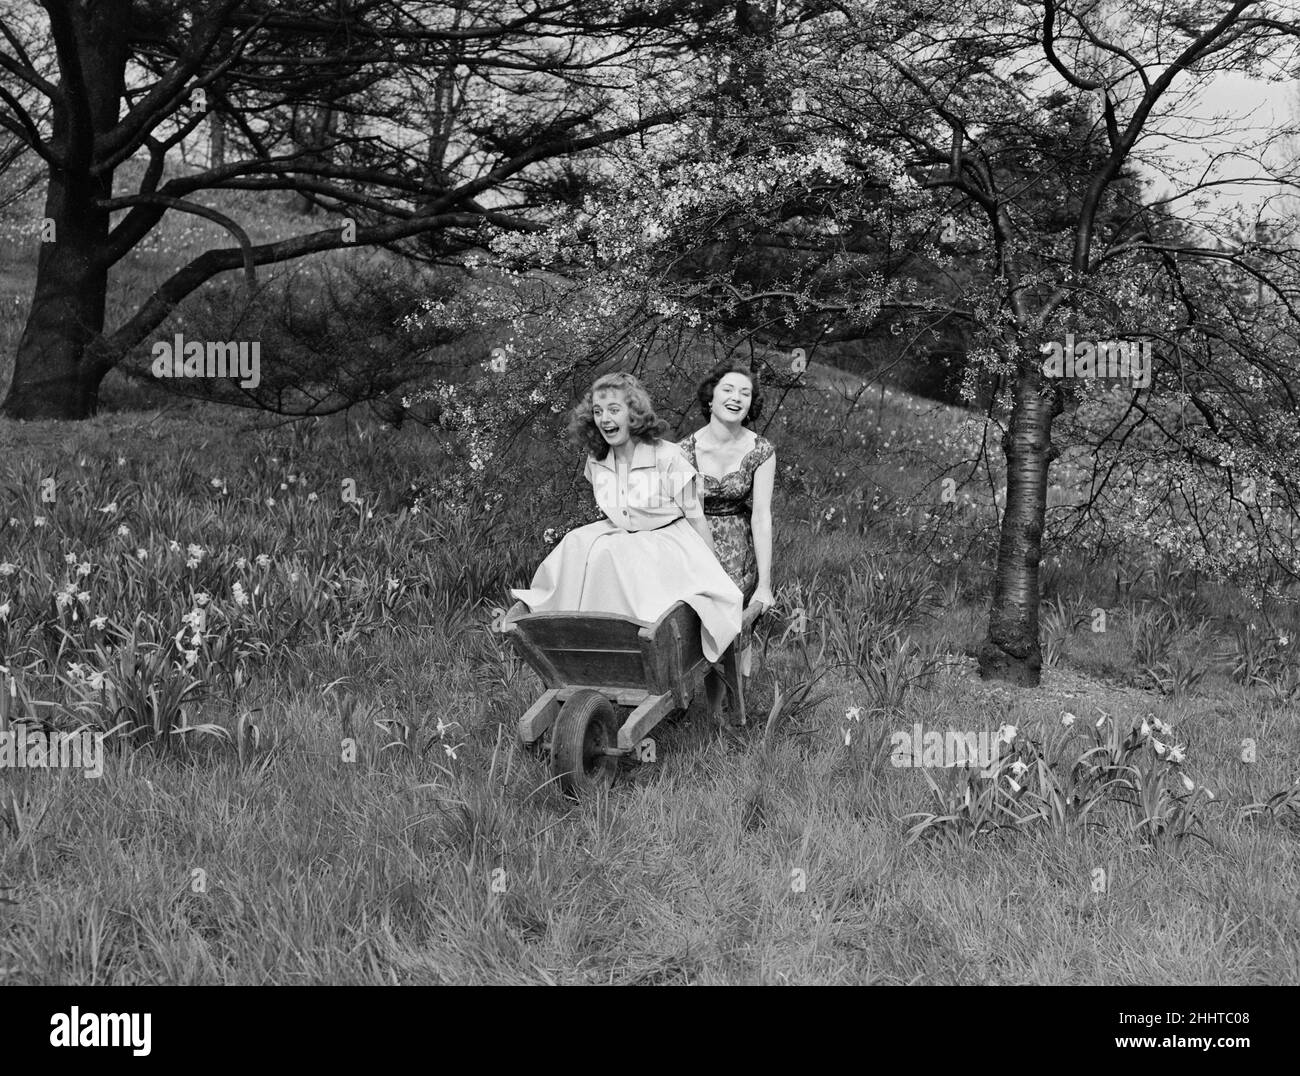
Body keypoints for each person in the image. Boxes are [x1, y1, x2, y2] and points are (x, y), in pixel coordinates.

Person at [506, 372, 743, 664]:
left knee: (619, 556)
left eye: (614, 410)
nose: (605, 419)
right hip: (625, 533)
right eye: (598, 411)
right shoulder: (596, 461)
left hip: (669, 539)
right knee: (576, 542)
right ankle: (565, 627)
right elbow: (619, 512)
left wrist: (714, 571)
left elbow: (696, 517)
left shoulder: (666, 457)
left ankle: (637, 640)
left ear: (633, 414)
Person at [678, 361, 776, 677]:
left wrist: (765, 584)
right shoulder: (683, 452)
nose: (736, 398)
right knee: (690, 623)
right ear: (711, 397)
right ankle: (692, 696)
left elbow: (761, 516)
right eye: (729, 389)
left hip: (739, 548)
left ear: (750, 404)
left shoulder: (760, 450)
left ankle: (738, 709)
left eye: (745, 393)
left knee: (737, 627)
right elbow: (682, 512)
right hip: (693, 542)